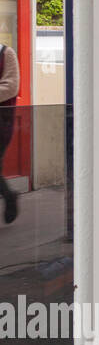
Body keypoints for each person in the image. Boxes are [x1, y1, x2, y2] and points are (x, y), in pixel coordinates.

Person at [0, 42, 18, 224]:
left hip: (1, 123)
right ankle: (9, 195)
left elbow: (12, 86)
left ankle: (9, 196)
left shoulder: (6, 53)